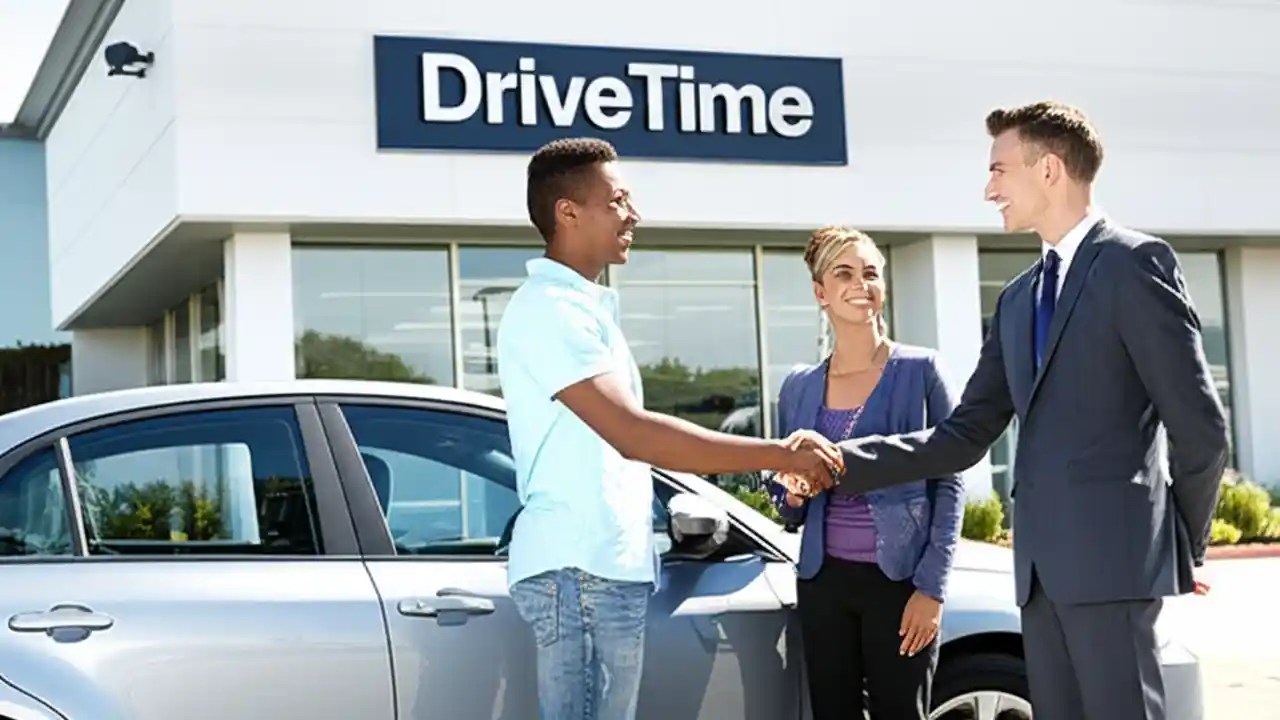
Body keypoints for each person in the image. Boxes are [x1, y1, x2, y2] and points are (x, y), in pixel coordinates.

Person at [797, 101, 1229, 720]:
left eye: (1000, 169)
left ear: (1049, 169)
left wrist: (1177, 547)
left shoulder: (1136, 264)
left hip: (1115, 568)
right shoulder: (1020, 297)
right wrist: (839, 461)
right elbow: (964, 434)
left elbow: (1201, 430)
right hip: (1038, 577)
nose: (988, 188)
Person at [495, 137, 841, 720]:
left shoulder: (581, 307)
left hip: (601, 566)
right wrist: (780, 455)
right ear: (568, 212)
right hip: (580, 571)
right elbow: (633, 434)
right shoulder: (550, 311)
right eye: (619, 199)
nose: (634, 214)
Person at [767, 226, 963, 719]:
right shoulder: (798, 387)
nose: (861, 283)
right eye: (844, 273)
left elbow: (952, 477)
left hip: (899, 583)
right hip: (822, 582)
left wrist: (931, 588)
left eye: (870, 273)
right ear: (820, 294)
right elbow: (787, 503)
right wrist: (792, 493)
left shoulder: (922, 370)